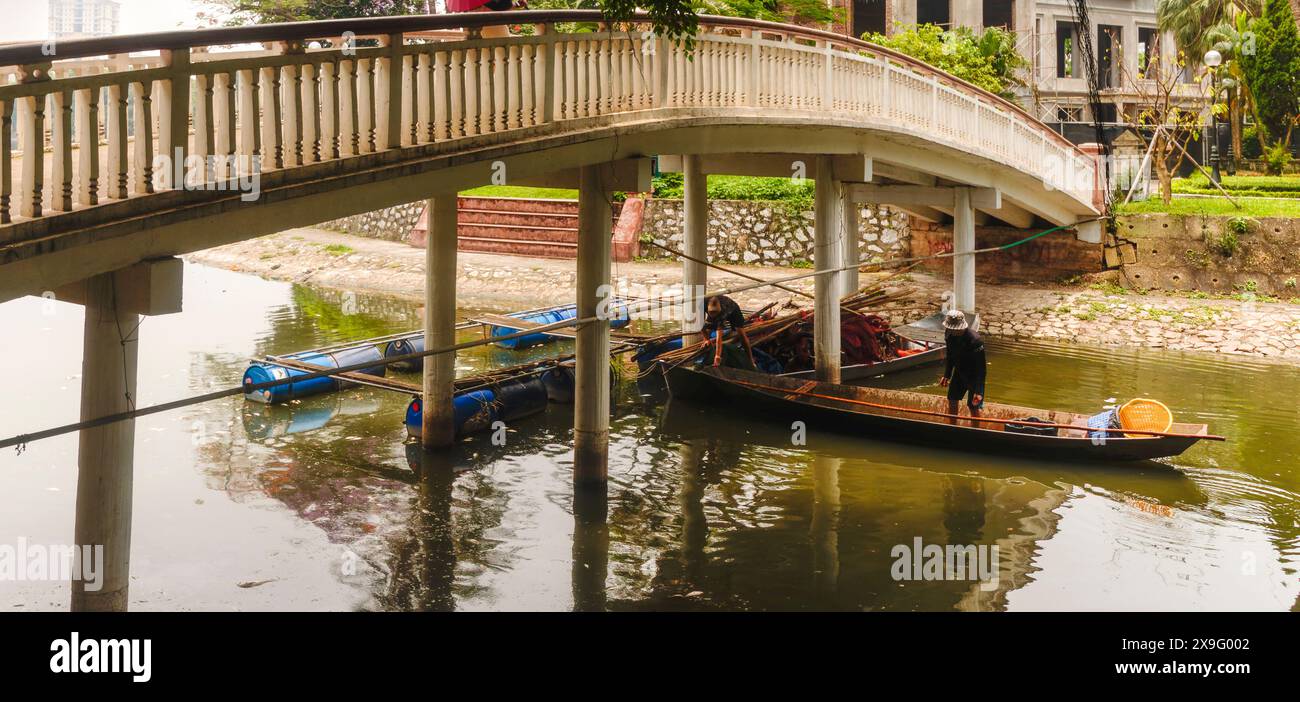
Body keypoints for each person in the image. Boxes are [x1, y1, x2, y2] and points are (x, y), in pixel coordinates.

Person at [939, 309, 986, 424]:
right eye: (951, 329)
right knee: (952, 399)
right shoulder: (949, 334)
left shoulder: (975, 340)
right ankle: (952, 427)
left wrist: (978, 391)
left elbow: (981, 369)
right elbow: (950, 355)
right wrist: (947, 375)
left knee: (973, 405)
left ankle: (976, 430)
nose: (952, 331)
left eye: (955, 329)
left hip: (974, 376)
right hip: (959, 372)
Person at [702, 294, 755, 368]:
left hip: (733, 310)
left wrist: (717, 356)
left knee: (741, 334)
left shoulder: (723, 313)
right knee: (707, 332)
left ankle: (751, 359)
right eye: (711, 314)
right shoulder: (703, 303)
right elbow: (701, 326)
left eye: (715, 316)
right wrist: (707, 339)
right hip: (715, 310)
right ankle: (706, 352)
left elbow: (719, 338)